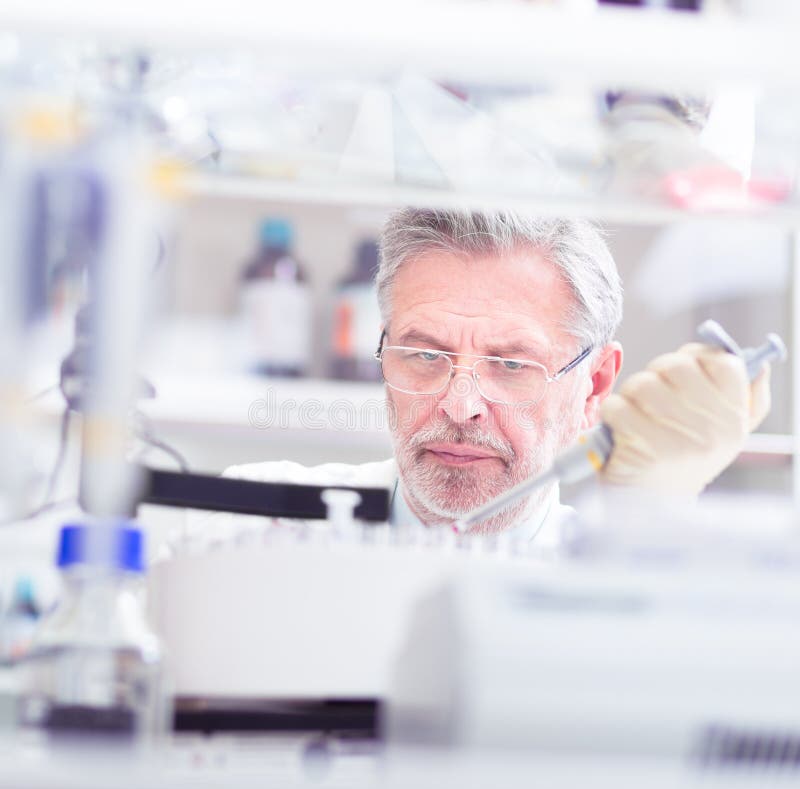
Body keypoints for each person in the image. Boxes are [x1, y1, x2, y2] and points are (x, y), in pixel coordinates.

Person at [222, 208, 771, 550]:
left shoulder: (619, 573)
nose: (460, 408)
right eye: (424, 354)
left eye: (511, 365)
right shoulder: (254, 524)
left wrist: (659, 513)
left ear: (595, 386)